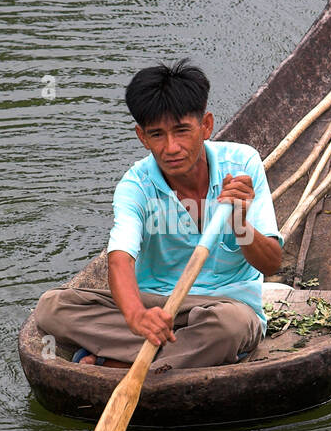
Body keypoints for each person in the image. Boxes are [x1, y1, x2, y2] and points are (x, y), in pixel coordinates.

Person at [34, 59, 284, 372]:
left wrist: (239, 221)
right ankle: (181, 353)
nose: (171, 148)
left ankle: (117, 362)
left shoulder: (242, 164)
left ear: (205, 125)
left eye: (182, 131)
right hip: (157, 305)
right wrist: (137, 315)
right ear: (142, 137)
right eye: (157, 135)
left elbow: (271, 263)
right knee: (52, 308)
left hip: (225, 307)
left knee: (229, 327)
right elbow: (120, 259)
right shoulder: (135, 186)